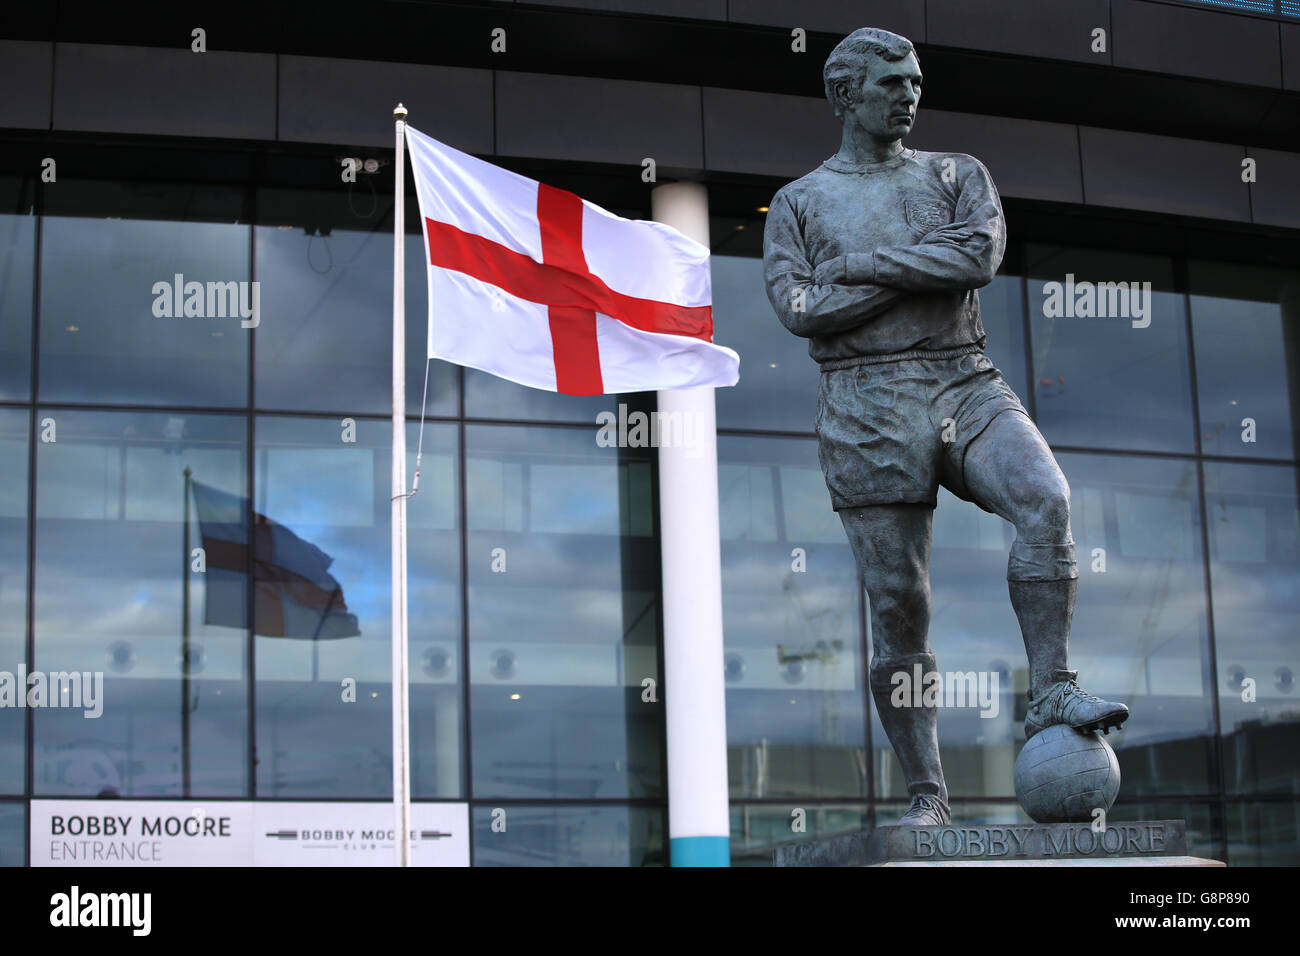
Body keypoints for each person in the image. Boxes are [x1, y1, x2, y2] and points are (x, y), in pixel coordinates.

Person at [762, 27, 1128, 826]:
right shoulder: (797, 203)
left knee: (1045, 498)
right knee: (900, 607)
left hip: (962, 375)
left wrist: (859, 268)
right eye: (891, 83)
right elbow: (800, 312)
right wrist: (913, 271)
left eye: (916, 81)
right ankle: (928, 796)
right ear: (845, 94)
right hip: (863, 402)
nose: (910, 95)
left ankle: (1053, 688)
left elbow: (977, 257)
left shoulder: (959, 173)